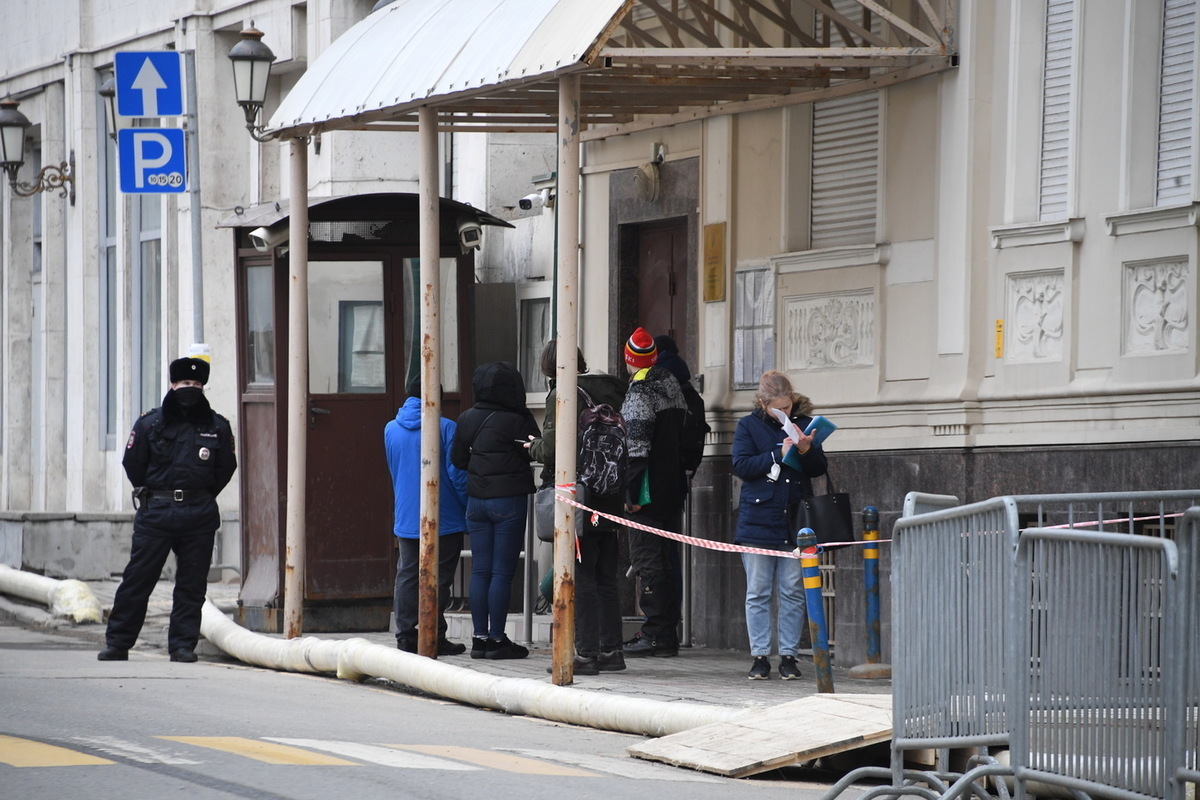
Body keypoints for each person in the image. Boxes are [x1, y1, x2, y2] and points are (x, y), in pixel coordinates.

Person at [99, 356, 238, 663]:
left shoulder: (217, 427)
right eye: (185, 384)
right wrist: (156, 494)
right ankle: (118, 643)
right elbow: (133, 464)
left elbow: (225, 469)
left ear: (203, 387)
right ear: (173, 385)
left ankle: (182, 646)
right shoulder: (150, 423)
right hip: (156, 512)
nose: (190, 388)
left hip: (198, 514)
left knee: (191, 585)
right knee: (138, 580)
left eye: (196, 384)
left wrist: (199, 496)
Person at [528, 340, 628, 675]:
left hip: (578, 495)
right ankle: (612, 650)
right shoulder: (611, 391)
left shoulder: (564, 395)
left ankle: (585, 653)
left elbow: (556, 449)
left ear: (548, 366)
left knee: (581, 575)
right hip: (609, 492)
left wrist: (534, 448)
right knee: (605, 577)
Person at [731, 370, 827, 680]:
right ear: (763, 402)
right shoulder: (748, 426)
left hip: (793, 519)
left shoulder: (802, 425)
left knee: (792, 590)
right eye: (778, 408)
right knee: (758, 591)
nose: (785, 413)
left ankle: (788, 656)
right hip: (757, 519)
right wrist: (777, 452)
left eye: (788, 407)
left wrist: (805, 448)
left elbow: (818, 469)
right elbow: (741, 465)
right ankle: (760, 656)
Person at [450, 361, 540, 660]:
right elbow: (535, 448)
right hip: (508, 502)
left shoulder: (465, 419)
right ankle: (498, 639)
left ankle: (478, 639)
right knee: (502, 571)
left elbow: (459, 460)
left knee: (480, 570)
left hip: (476, 502)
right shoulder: (517, 420)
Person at [385, 375, 470, 656]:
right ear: (439, 399)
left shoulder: (391, 429)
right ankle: (434, 634)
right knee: (440, 577)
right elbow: (458, 476)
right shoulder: (446, 428)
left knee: (408, 575)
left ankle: (405, 635)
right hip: (444, 517)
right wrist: (467, 508)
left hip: (406, 516)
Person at [620, 327, 688, 658]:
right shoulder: (672, 385)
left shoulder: (640, 392)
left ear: (628, 360)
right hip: (673, 488)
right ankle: (667, 633)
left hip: (646, 492)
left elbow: (635, 449)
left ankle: (655, 631)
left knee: (648, 559)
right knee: (668, 559)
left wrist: (630, 495)